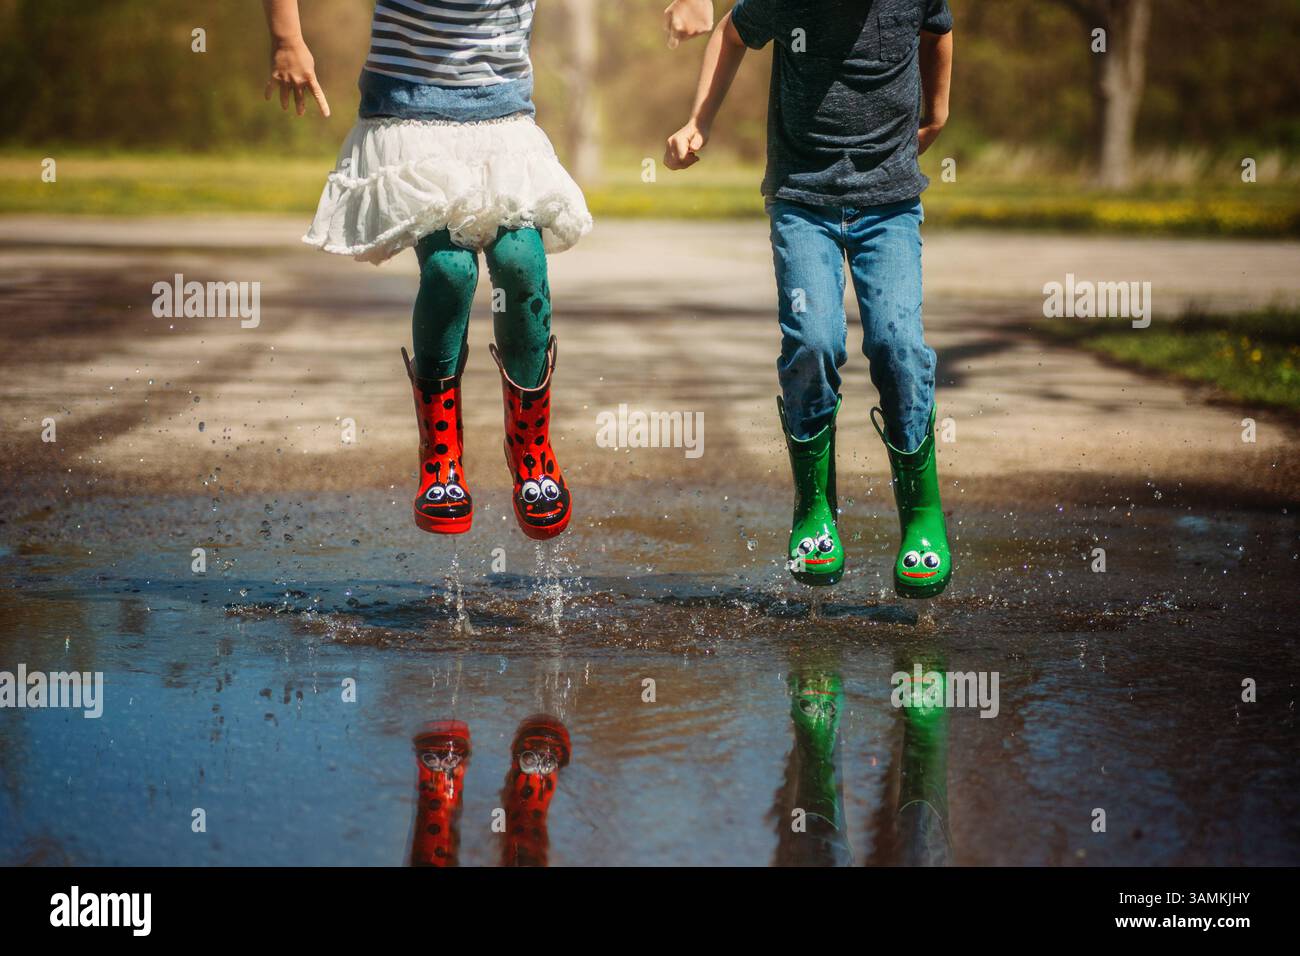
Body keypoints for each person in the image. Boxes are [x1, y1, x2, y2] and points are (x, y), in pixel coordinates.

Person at [665, 1, 955, 598]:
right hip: (803, 200)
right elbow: (733, 32)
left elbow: (938, 29)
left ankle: (922, 516)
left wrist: (938, 112)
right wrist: (701, 120)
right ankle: (814, 507)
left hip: (890, 203)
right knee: (815, 340)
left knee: (898, 345)